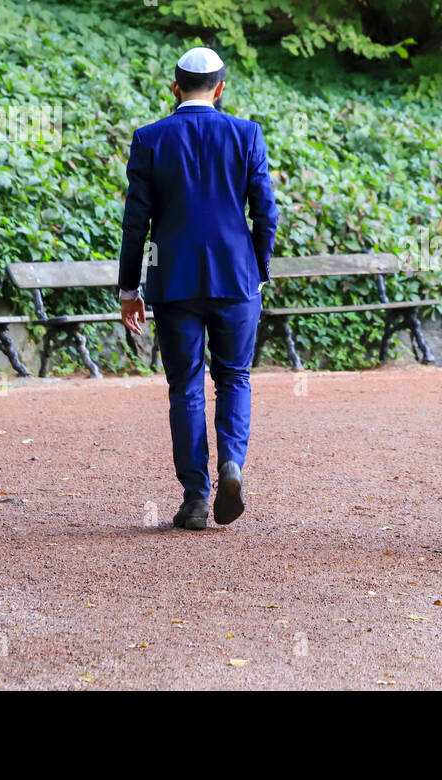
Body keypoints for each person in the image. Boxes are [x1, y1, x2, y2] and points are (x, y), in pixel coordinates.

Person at [118, 47, 279, 531]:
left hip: (174, 281)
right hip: (236, 278)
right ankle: (232, 462)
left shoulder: (150, 139)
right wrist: (259, 268)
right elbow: (265, 213)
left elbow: (136, 225)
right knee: (234, 377)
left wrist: (130, 288)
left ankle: (194, 497)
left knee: (185, 385)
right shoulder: (246, 134)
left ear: (174, 88)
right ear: (221, 88)